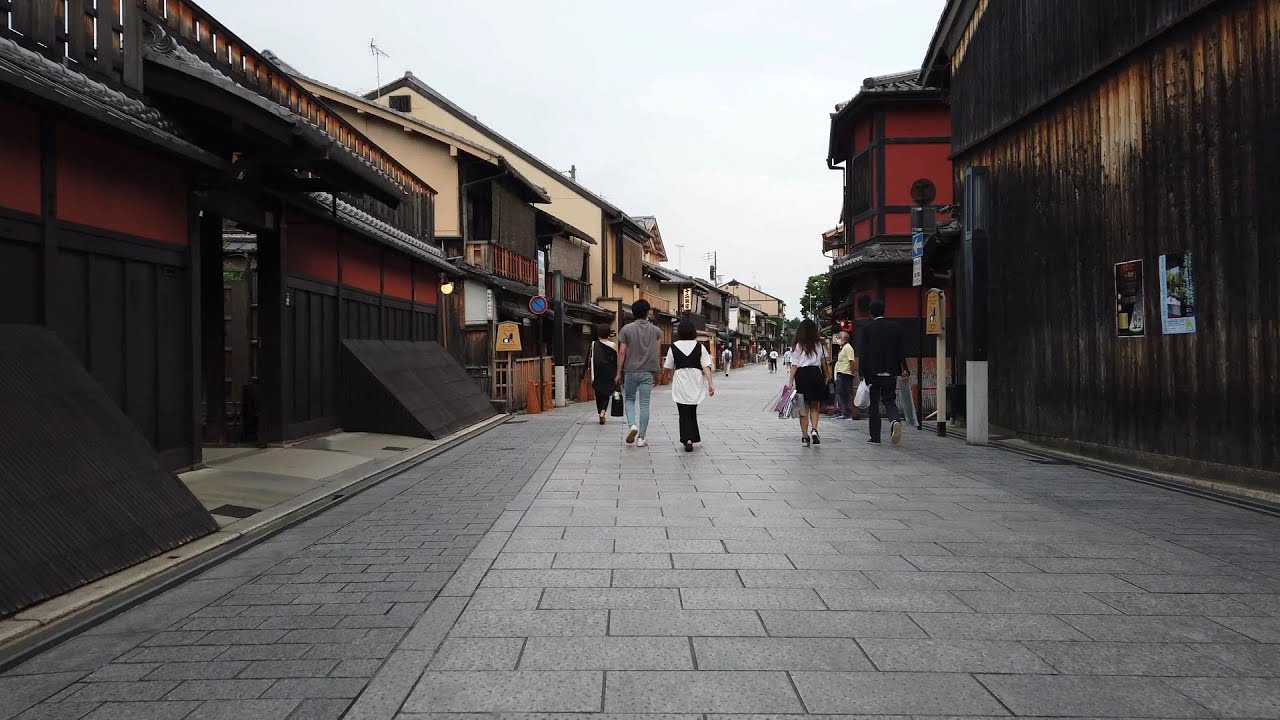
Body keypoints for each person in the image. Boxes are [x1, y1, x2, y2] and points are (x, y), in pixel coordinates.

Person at [858, 298, 909, 444]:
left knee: (874, 405)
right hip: (890, 371)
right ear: (884, 310)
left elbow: (864, 353)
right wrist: (904, 368)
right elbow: (900, 350)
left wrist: (862, 372)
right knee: (889, 401)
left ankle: (875, 437)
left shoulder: (867, 328)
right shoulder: (895, 327)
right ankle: (894, 420)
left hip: (873, 373)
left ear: (871, 312)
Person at [614, 299, 662, 447]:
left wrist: (618, 373)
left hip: (630, 371)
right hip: (647, 372)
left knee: (629, 399)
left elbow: (622, 352)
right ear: (647, 312)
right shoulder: (656, 331)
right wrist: (658, 371)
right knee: (645, 404)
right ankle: (641, 438)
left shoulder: (626, 330)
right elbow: (657, 352)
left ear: (633, 313)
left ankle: (632, 425)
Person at [664, 319, 715, 452]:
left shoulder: (673, 347)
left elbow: (668, 366)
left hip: (680, 378)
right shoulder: (699, 346)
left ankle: (687, 438)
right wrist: (710, 384)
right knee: (692, 409)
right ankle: (692, 437)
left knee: (683, 410)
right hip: (695, 378)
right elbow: (706, 366)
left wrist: (661, 378)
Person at [786, 319, 831, 447]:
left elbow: (794, 366)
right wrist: (827, 376)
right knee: (814, 405)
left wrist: (790, 382)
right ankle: (815, 430)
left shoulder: (797, 345)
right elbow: (823, 362)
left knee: (803, 408)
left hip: (802, 376)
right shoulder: (820, 344)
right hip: (816, 374)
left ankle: (805, 437)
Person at [589, 323, 618, 425]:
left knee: (598, 393)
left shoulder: (594, 344)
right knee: (606, 394)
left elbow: (590, 360)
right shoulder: (613, 345)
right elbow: (615, 361)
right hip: (609, 373)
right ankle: (603, 412)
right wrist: (617, 374)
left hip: (597, 373)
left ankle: (600, 412)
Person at [832, 332, 858, 420]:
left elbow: (851, 361)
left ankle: (847, 412)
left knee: (844, 393)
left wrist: (852, 372)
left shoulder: (848, 348)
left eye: (839, 337)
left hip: (845, 373)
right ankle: (844, 412)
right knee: (841, 393)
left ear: (845, 338)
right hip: (841, 372)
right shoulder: (842, 348)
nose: (838, 339)